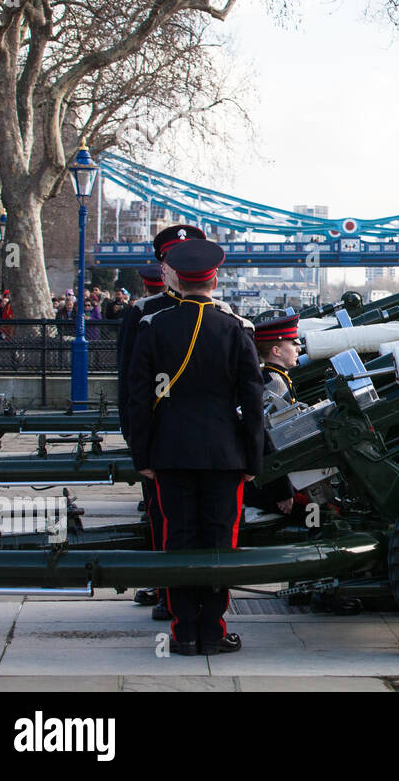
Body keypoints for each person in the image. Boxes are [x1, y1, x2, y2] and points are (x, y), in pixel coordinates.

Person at [127, 238, 264, 656]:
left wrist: (143, 456)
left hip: (170, 452)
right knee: (221, 540)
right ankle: (213, 629)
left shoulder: (154, 326)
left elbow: (138, 398)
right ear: (214, 278)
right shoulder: (235, 328)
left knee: (178, 539)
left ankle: (183, 631)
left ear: (176, 279)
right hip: (224, 455)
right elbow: (252, 400)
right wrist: (252, 458)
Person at [118, 225, 206, 618]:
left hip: (206, 439)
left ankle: (199, 599)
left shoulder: (220, 315)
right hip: (160, 437)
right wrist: (140, 443)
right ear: (164, 265)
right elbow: (129, 387)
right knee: (164, 519)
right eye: (175, 258)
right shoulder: (143, 313)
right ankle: (168, 591)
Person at [247, 313, 301, 516]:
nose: (298, 349)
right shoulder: (275, 384)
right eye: (292, 343)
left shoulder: (275, 377)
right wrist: (283, 492)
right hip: (270, 487)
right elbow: (273, 442)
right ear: (276, 350)